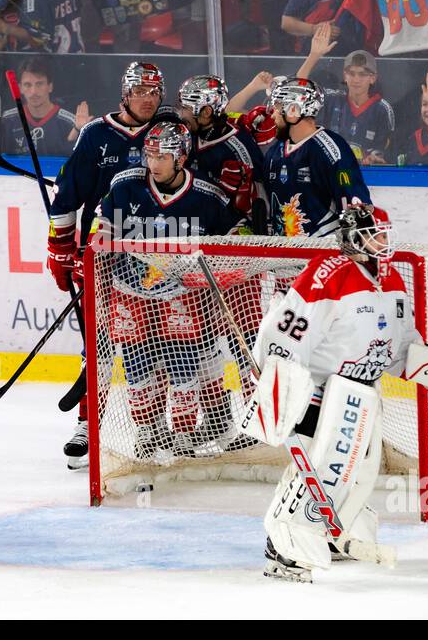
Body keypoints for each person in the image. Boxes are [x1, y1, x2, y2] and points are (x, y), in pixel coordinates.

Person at [246, 204, 428, 581]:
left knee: (354, 474)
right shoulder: (327, 275)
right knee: (320, 470)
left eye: (386, 234)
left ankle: (329, 533)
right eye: (377, 234)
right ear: (354, 238)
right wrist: (282, 389)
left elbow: (403, 349)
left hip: (362, 394)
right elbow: (285, 336)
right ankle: (284, 547)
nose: (384, 242)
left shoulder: (392, 280)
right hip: (320, 392)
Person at [91, 121, 247, 459]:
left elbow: (232, 238)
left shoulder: (208, 197)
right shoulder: (125, 184)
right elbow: (101, 226)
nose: (153, 164)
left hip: (182, 294)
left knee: (183, 363)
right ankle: (150, 430)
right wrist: (96, 247)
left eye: (161, 157)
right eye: (149, 155)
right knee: (136, 364)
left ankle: (184, 430)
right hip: (128, 289)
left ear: (181, 158)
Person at [49, 61, 165, 467]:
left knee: (155, 346)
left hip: (157, 261)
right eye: (140, 91)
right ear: (125, 92)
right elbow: (66, 197)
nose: (147, 99)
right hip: (102, 257)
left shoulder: (168, 132)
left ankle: (155, 429)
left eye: (154, 92)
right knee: (95, 348)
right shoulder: (95, 135)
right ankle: (87, 424)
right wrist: (61, 249)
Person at [262, 76, 370, 237]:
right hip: (283, 255)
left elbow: (355, 203)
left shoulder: (332, 149)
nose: (272, 116)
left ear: (293, 111)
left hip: (323, 253)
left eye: (277, 109)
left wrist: (356, 243)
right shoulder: (274, 153)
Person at [176, 74, 267, 230]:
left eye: (186, 108)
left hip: (227, 236)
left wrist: (240, 200)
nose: (181, 114)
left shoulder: (240, 147)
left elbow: (260, 205)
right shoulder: (187, 135)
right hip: (189, 225)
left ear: (206, 112)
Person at [297, 28, 395, 163]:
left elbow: (386, 151)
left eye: (362, 74)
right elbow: (298, 89)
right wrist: (314, 55)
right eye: (351, 73)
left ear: (373, 78)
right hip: (329, 172)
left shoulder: (383, 109)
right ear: (344, 75)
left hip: (365, 176)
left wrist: (375, 159)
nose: (356, 79)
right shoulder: (331, 99)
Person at [0, 58, 80, 156]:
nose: (34, 92)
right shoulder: (7, 120)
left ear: (50, 86)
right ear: (20, 88)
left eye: (39, 84)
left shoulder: (71, 123)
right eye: (27, 85)